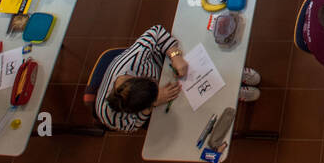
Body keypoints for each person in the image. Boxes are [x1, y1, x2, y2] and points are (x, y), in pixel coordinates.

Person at [96, 25, 261, 132]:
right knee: (199, 106)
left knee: (202, 63)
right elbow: (132, 126)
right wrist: (153, 104)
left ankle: (237, 74)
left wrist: (175, 57)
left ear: (139, 78)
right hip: (162, 102)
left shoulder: (135, 59)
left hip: (167, 65)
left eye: (152, 82)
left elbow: (156, 32)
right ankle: (233, 92)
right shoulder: (109, 118)